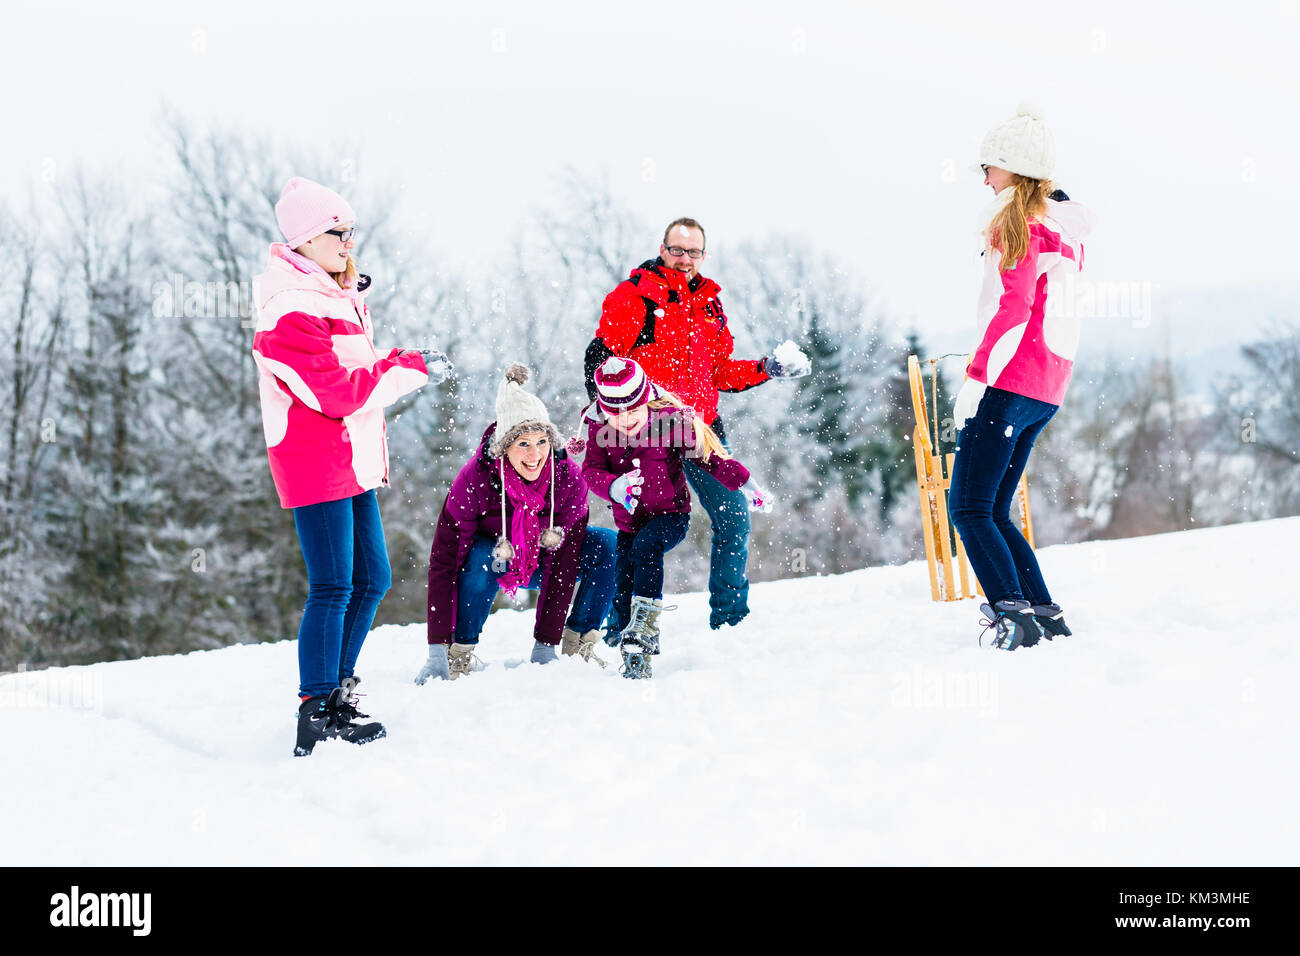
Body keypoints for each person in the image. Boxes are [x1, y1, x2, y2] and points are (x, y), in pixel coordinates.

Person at [251, 176, 454, 756]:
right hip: (316, 461)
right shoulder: (288, 310)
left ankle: (336, 691)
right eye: (337, 231)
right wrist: (406, 371)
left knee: (373, 579)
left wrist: (402, 358)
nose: (348, 241)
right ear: (307, 239)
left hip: (351, 461)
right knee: (335, 584)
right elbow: (337, 394)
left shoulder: (332, 297)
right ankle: (316, 706)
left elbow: (357, 369)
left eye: (349, 231)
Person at [584, 217, 809, 630]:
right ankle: (621, 628)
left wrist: (767, 367)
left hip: (701, 430)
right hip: (647, 432)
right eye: (676, 249)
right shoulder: (633, 297)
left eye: (693, 251)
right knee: (639, 535)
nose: (684, 259)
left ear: (704, 255)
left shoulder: (709, 303)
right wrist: (609, 421)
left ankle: (729, 622)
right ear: (662, 248)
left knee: (733, 517)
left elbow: (720, 372)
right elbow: (600, 359)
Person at [948, 102, 1095, 650]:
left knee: (967, 508)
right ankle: (1043, 612)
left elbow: (1013, 310)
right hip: (1045, 388)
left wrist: (977, 378)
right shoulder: (1062, 228)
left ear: (1013, 167)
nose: (983, 176)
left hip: (1008, 383)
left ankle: (1014, 617)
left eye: (989, 166)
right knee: (992, 509)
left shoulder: (1019, 225)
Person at [417, 363, 618, 681]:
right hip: (497, 562)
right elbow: (444, 563)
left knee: (608, 545)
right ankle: (460, 653)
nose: (535, 454)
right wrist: (437, 650)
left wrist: (545, 645)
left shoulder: (568, 480)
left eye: (541, 442)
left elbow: (564, 564)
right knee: (484, 554)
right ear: (503, 448)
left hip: (544, 558)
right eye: (523, 444)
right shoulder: (474, 480)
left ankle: (576, 643)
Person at [580, 357, 771, 678]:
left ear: (647, 401)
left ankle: (646, 627)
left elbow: (710, 458)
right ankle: (633, 649)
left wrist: (746, 485)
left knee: (646, 549)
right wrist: (614, 486)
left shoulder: (669, 422)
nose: (625, 420)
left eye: (633, 411)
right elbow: (590, 472)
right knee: (623, 579)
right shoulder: (599, 431)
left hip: (670, 515)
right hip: (629, 523)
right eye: (616, 414)